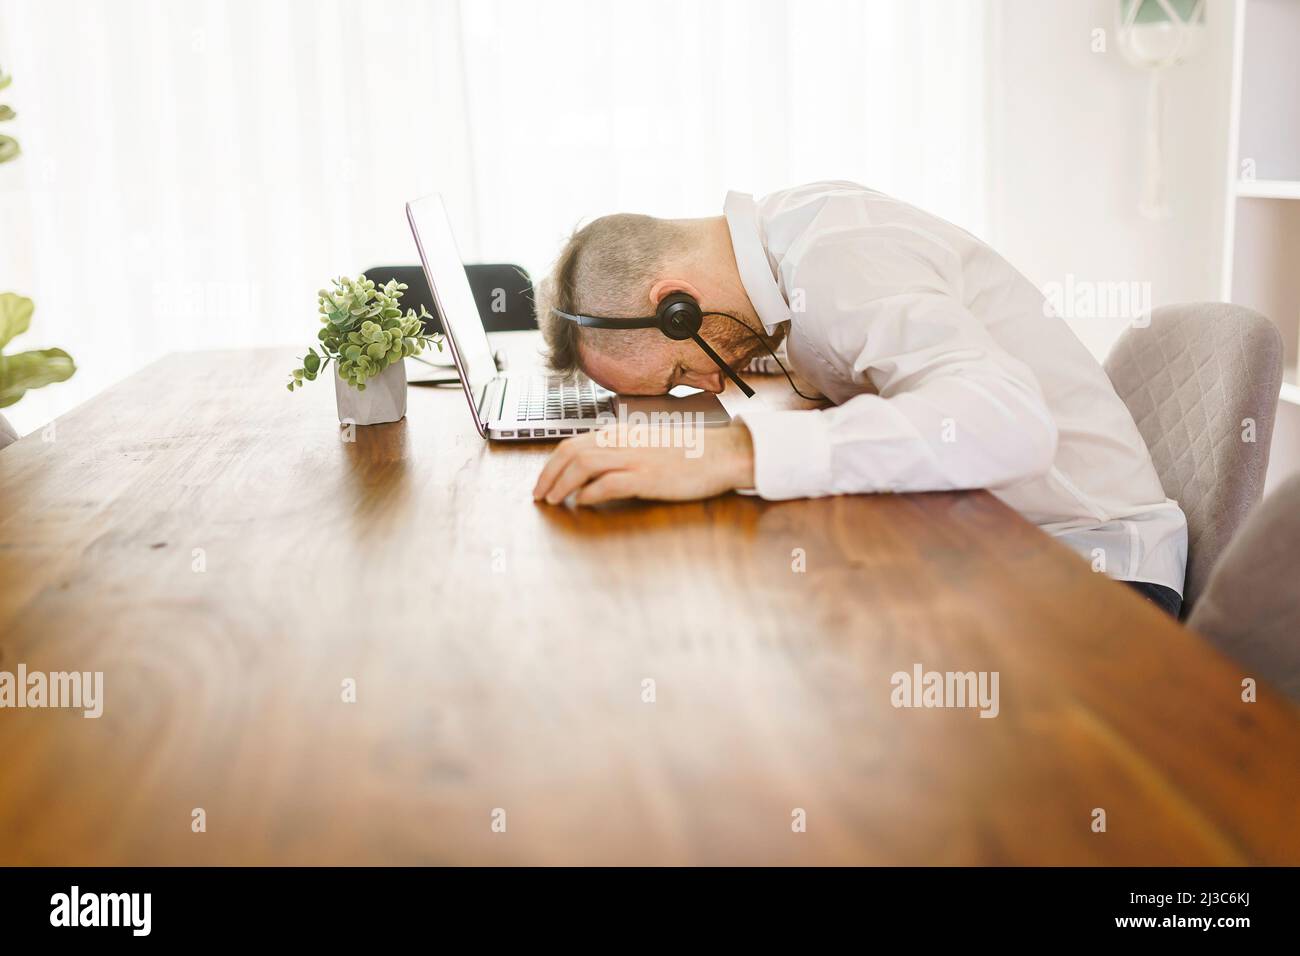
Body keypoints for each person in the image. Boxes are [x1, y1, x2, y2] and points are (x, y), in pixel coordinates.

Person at [531, 181, 1186, 616]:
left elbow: (1012, 424)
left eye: (682, 370)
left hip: (1098, 570)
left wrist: (732, 453)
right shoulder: (785, 247)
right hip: (1004, 536)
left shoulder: (838, 260)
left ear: (676, 305)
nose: (706, 388)